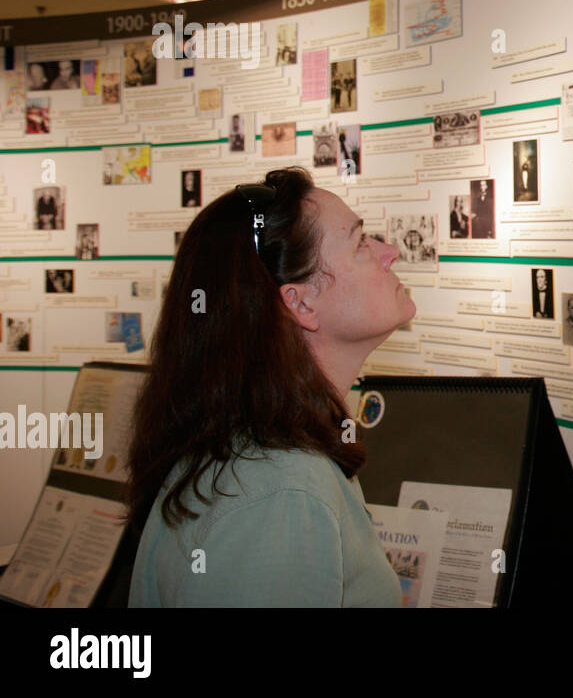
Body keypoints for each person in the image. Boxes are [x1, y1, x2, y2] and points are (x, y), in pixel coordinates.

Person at [126, 167, 412, 606]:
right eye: (360, 242)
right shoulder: (280, 493)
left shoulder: (266, 458)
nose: (389, 252)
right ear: (300, 303)